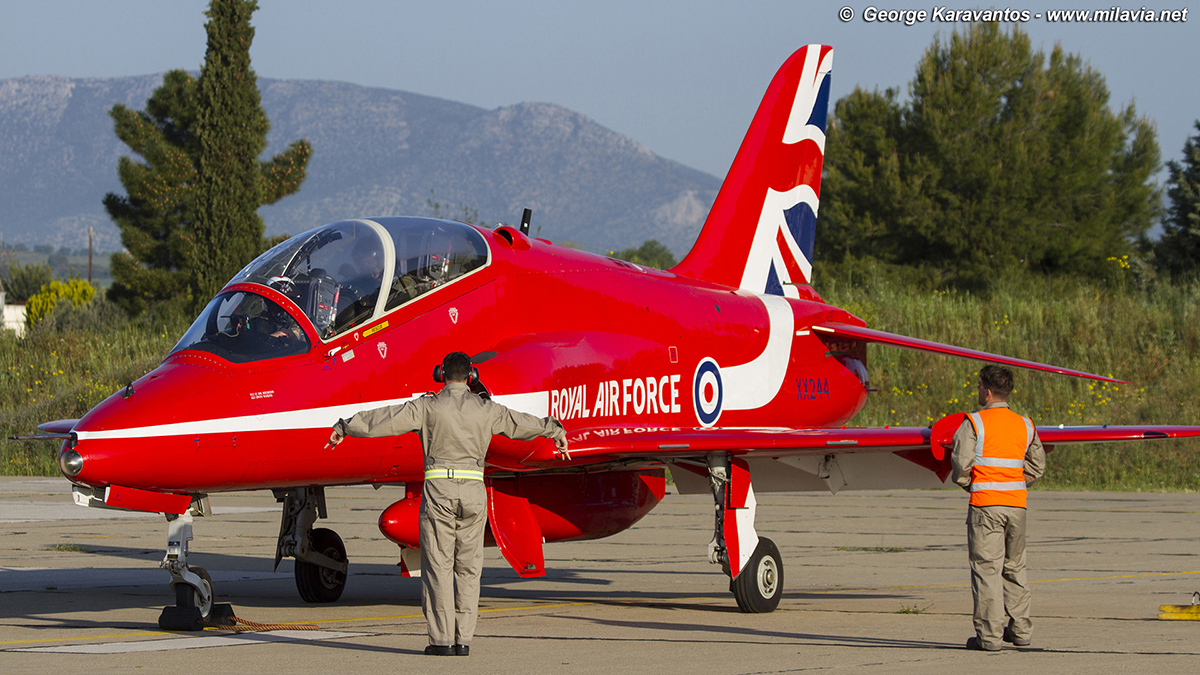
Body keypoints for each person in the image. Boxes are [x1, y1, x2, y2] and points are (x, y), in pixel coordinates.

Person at [325, 352, 569, 656]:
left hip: (439, 492)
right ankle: (463, 640)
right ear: (471, 376)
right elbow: (519, 423)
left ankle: (441, 641)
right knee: (469, 569)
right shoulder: (486, 409)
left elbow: (385, 419)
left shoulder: (427, 407)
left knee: (438, 567)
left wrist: (345, 427)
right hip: (473, 493)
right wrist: (554, 430)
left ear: (441, 374)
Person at [951, 364, 1046, 651]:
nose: (979, 391)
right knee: (1015, 567)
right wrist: (1014, 484)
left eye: (980, 387)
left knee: (986, 570)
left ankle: (989, 636)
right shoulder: (1025, 424)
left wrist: (970, 484)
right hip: (1017, 506)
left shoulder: (974, 423)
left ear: (988, 392)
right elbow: (1037, 466)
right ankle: (1021, 631)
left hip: (986, 506)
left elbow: (961, 464)